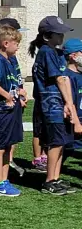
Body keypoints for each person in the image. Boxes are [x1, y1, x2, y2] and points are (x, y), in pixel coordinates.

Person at [29, 16, 80, 195]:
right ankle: (49, 180)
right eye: (58, 34)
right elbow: (59, 79)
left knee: (61, 143)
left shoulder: (54, 52)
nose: (61, 37)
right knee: (55, 143)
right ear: (47, 36)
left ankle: (56, 178)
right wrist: (69, 103)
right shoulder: (47, 52)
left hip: (58, 104)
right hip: (52, 105)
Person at [0, 25, 26, 196]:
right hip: (2, 111)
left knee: (9, 146)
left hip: (12, 110)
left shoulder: (11, 60)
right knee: (0, 147)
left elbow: (14, 82)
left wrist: (20, 93)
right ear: (5, 43)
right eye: (16, 44)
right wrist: (7, 96)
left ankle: (4, 180)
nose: (18, 47)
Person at [63, 39, 82, 153]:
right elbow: (71, 101)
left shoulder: (80, 74)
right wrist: (76, 122)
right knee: (65, 149)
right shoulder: (68, 76)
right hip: (75, 121)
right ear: (73, 56)